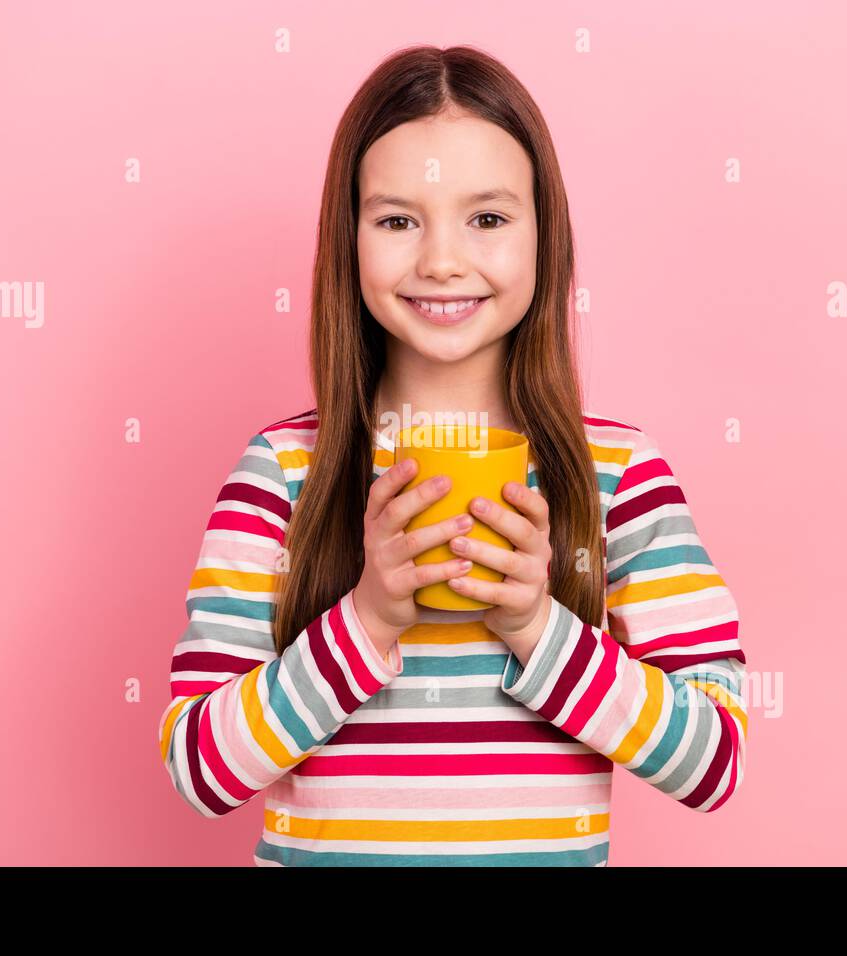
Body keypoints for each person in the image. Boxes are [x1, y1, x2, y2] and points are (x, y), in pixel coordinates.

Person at [157, 44, 747, 866]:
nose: (440, 261)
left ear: (545, 236)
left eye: (488, 219)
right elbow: (200, 770)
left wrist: (537, 626)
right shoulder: (284, 473)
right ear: (348, 239)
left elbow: (714, 760)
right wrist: (368, 618)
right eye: (397, 220)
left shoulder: (617, 474)